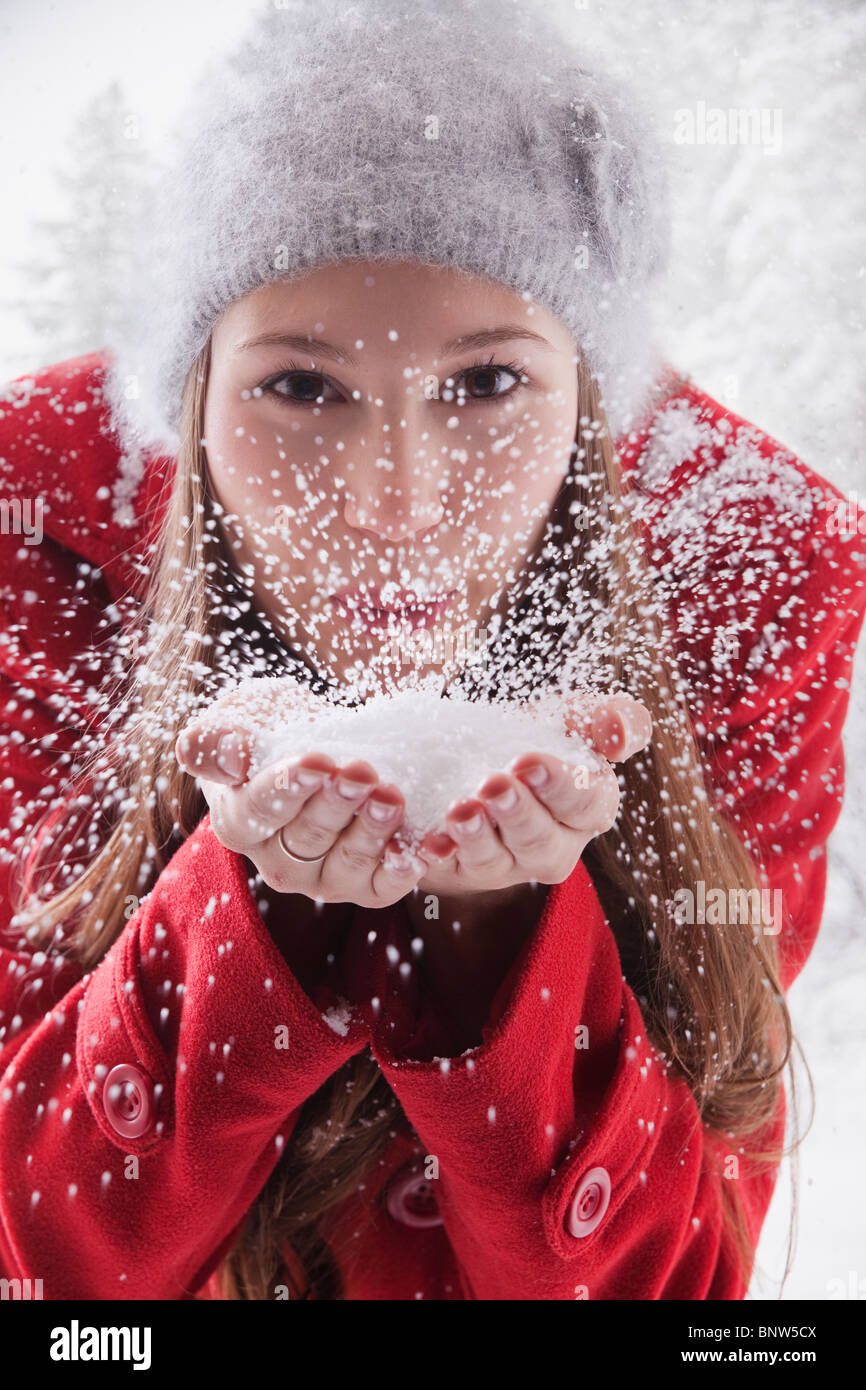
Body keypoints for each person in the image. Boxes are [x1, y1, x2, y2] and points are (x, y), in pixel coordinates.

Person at [0, 0, 863, 1302]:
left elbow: (679, 1282)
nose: (395, 501)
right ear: (195, 400)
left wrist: (501, 950)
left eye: (484, 386)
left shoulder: (739, 571)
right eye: (300, 387)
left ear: (586, 403)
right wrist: (245, 920)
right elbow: (46, 1276)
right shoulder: (36, 543)